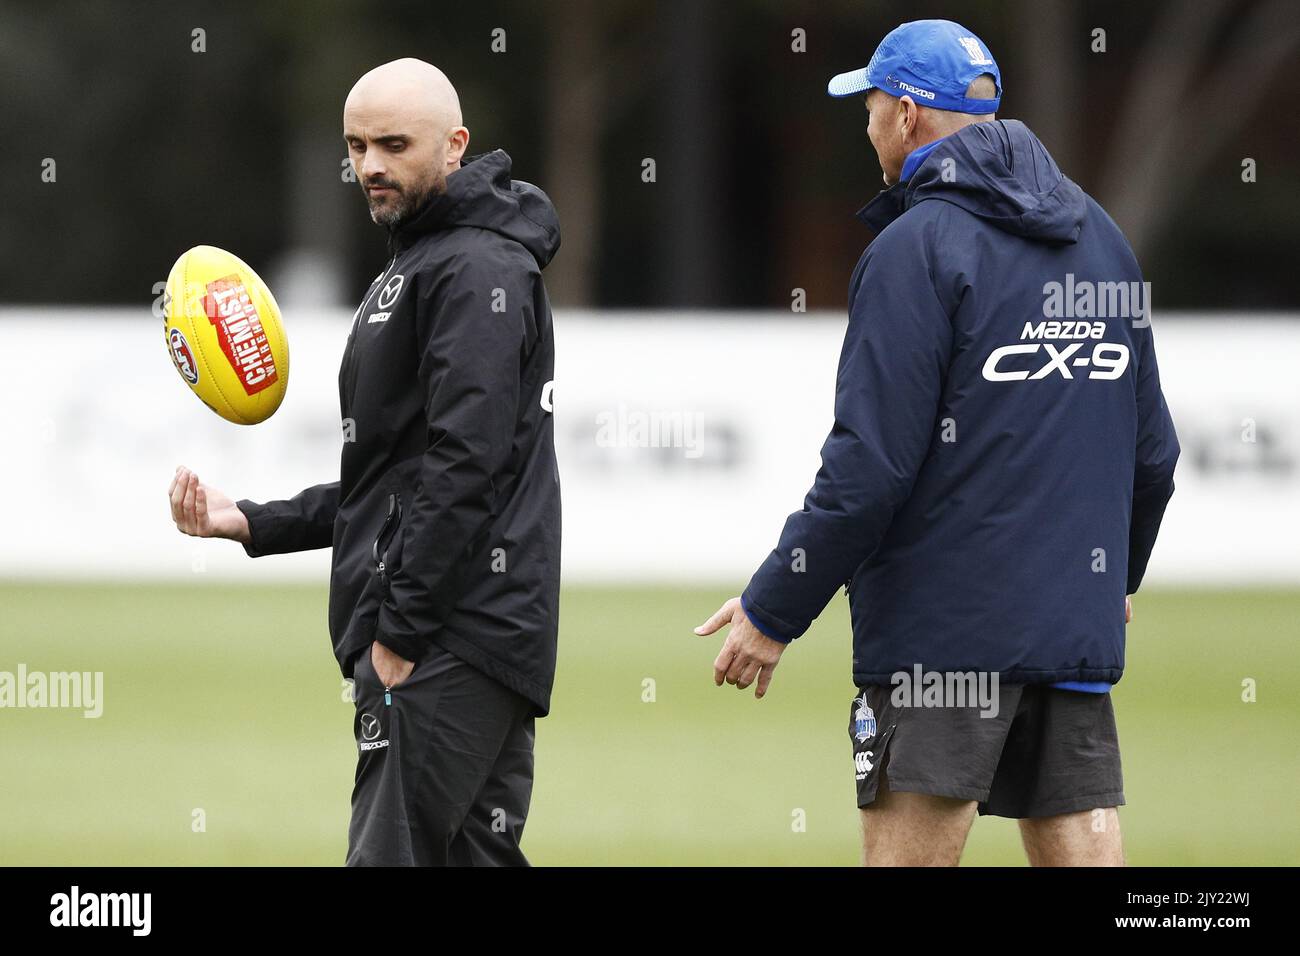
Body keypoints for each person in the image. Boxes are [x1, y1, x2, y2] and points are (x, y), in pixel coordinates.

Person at [695, 20, 1178, 866]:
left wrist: (774, 609)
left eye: (873, 103)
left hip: (940, 641)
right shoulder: (1101, 236)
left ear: (909, 115)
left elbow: (869, 468)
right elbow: (1153, 455)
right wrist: (1114, 578)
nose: (868, 121)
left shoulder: (912, 249)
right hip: (1069, 629)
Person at [169, 58, 562, 866]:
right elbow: (395, 474)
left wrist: (402, 631)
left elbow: (466, 464)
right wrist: (252, 521)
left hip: (452, 633)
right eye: (356, 146)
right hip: (466, 630)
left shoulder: (475, 267)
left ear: (454, 145)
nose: (370, 165)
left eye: (393, 143)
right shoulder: (422, 258)